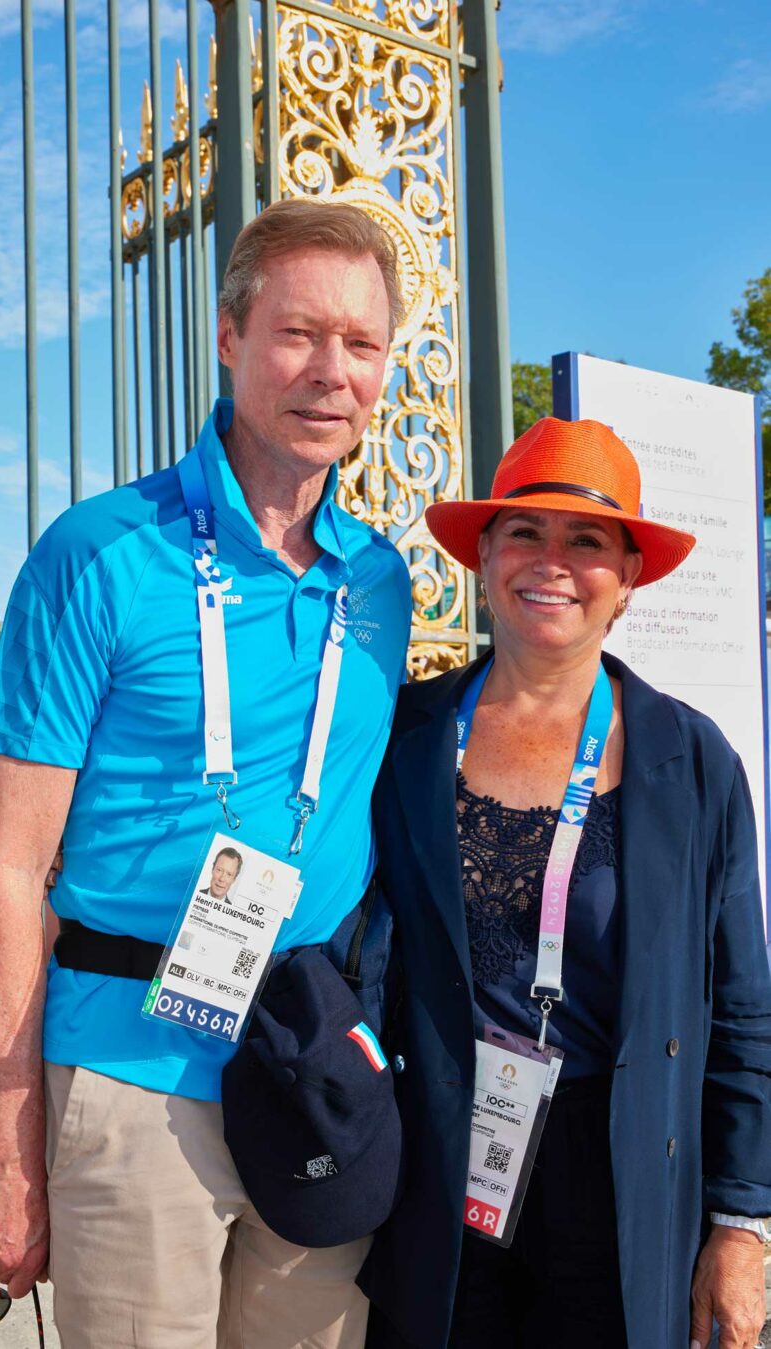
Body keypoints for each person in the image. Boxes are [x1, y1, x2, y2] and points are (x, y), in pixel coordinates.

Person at [0, 199, 412, 1349]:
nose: (331, 372)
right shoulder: (99, 553)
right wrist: (8, 1152)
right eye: (298, 332)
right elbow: (5, 867)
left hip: (314, 1060)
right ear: (228, 335)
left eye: (362, 345)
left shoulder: (381, 583)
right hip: (130, 1069)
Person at [360, 418, 771, 1349]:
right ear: (486, 555)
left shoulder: (693, 760)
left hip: (621, 1171)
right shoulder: (405, 735)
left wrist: (742, 1227)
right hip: (435, 1160)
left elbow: (743, 1008)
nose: (551, 562)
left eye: (586, 541)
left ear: (626, 580)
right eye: (524, 534)